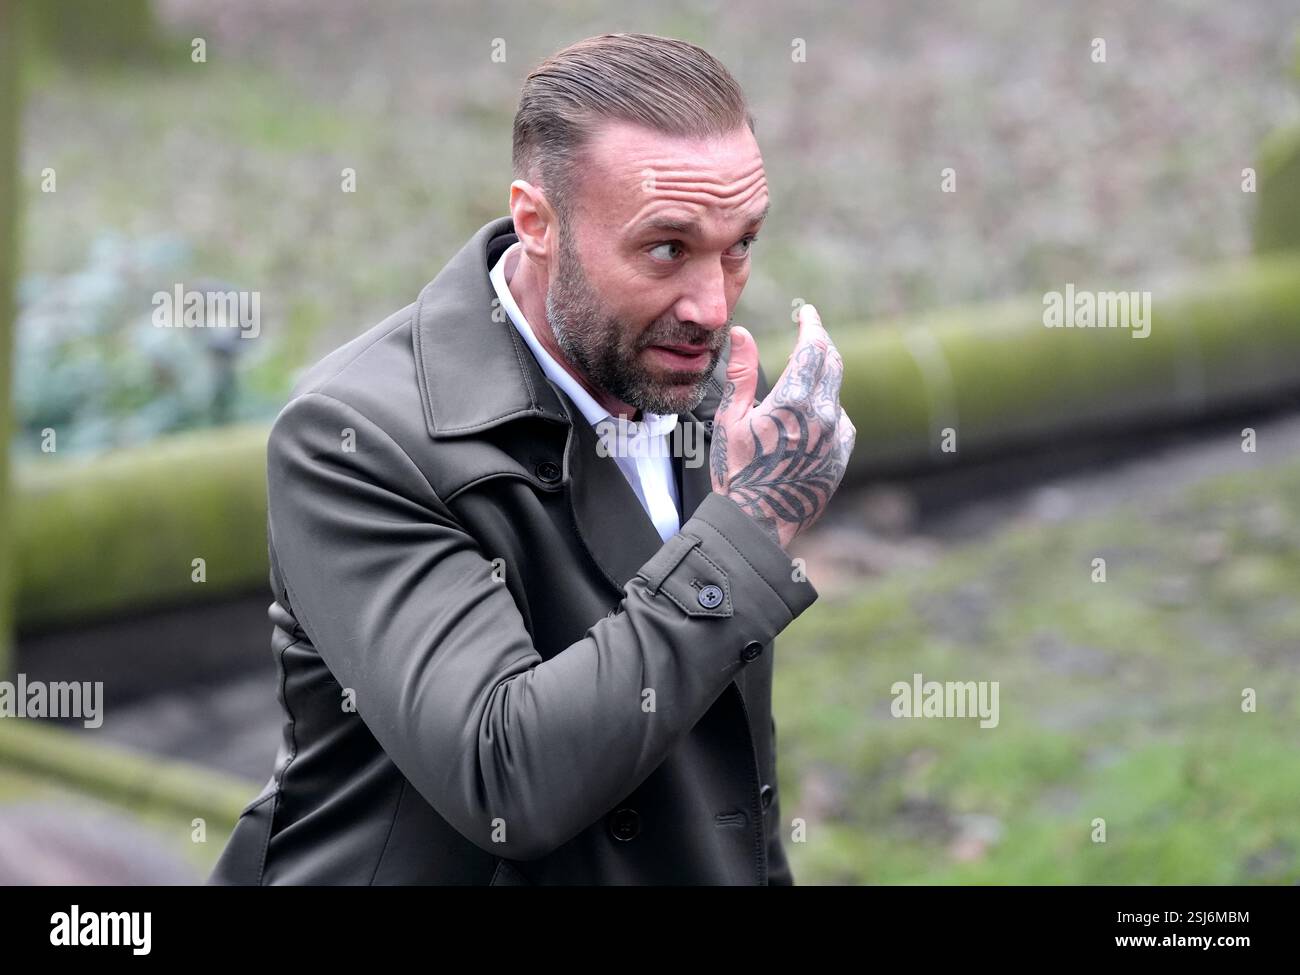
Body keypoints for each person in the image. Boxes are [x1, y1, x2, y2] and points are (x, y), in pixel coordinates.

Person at [209, 31, 854, 886]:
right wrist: (748, 529)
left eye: (739, 244)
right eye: (666, 248)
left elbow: (729, 764)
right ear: (536, 221)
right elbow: (506, 777)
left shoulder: (706, 387)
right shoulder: (356, 438)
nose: (711, 303)